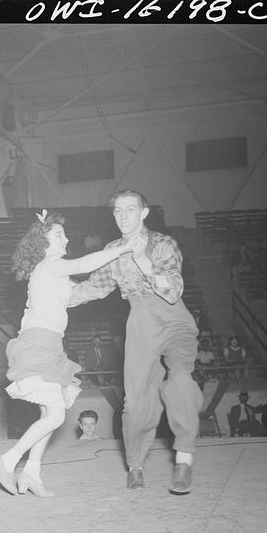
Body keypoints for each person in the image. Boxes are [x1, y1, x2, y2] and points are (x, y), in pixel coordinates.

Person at [68, 190, 203, 495]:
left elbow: (172, 292)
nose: (123, 216)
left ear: (144, 212)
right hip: (140, 320)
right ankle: (135, 466)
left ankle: (183, 459)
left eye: (130, 209)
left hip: (174, 318)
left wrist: (141, 259)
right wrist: (54, 298)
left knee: (180, 381)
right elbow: (95, 287)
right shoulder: (113, 250)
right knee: (137, 400)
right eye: (118, 211)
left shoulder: (164, 244)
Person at [0, 210, 131, 498]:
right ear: (43, 243)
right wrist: (124, 248)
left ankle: (32, 473)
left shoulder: (53, 275)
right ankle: (9, 459)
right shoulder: (50, 265)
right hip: (39, 343)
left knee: (48, 412)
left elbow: (83, 293)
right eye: (58, 235)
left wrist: (114, 276)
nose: (66, 238)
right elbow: (82, 263)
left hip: (49, 344)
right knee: (55, 415)